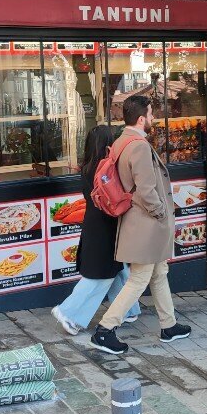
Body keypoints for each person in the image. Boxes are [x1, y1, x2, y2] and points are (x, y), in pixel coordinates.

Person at [90, 95, 191, 355]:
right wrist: (162, 214)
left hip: (139, 222)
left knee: (159, 272)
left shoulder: (121, 141)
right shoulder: (139, 146)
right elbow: (146, 190)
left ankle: (169, 325)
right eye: (151, 114)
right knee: (139, 278)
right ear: (141, 118)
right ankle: (105, 330)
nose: (153, 118)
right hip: (147, 223)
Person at [51, 125, 140, 335]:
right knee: (102, 274)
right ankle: (68, 312)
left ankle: (127, 310)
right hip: (106, 225)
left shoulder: (87, 168)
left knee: (117, 269)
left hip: (94, 223)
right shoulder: (107, 168)